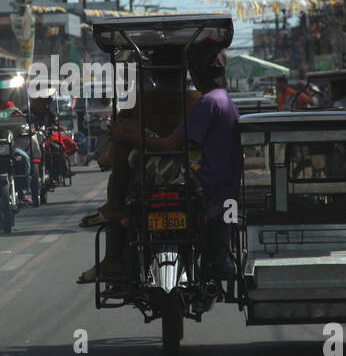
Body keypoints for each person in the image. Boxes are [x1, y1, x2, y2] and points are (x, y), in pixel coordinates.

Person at [80, 45, 241, 284]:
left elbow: (165, 145)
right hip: (200, 179)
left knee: (125, 185)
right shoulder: (205, 100)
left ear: (153, 74)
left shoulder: (193, 102)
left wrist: (118, 143)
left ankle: (114, 239)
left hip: (178, 175)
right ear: (183, 73)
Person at [79, 48, 200, 228]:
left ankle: (115, 210)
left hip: (151, 171)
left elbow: (119, 131)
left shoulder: (139, 100)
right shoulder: (198, 99)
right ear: (183, 72)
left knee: (122, 210)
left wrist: (111, 154)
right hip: (190, 171)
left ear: (152, 74)